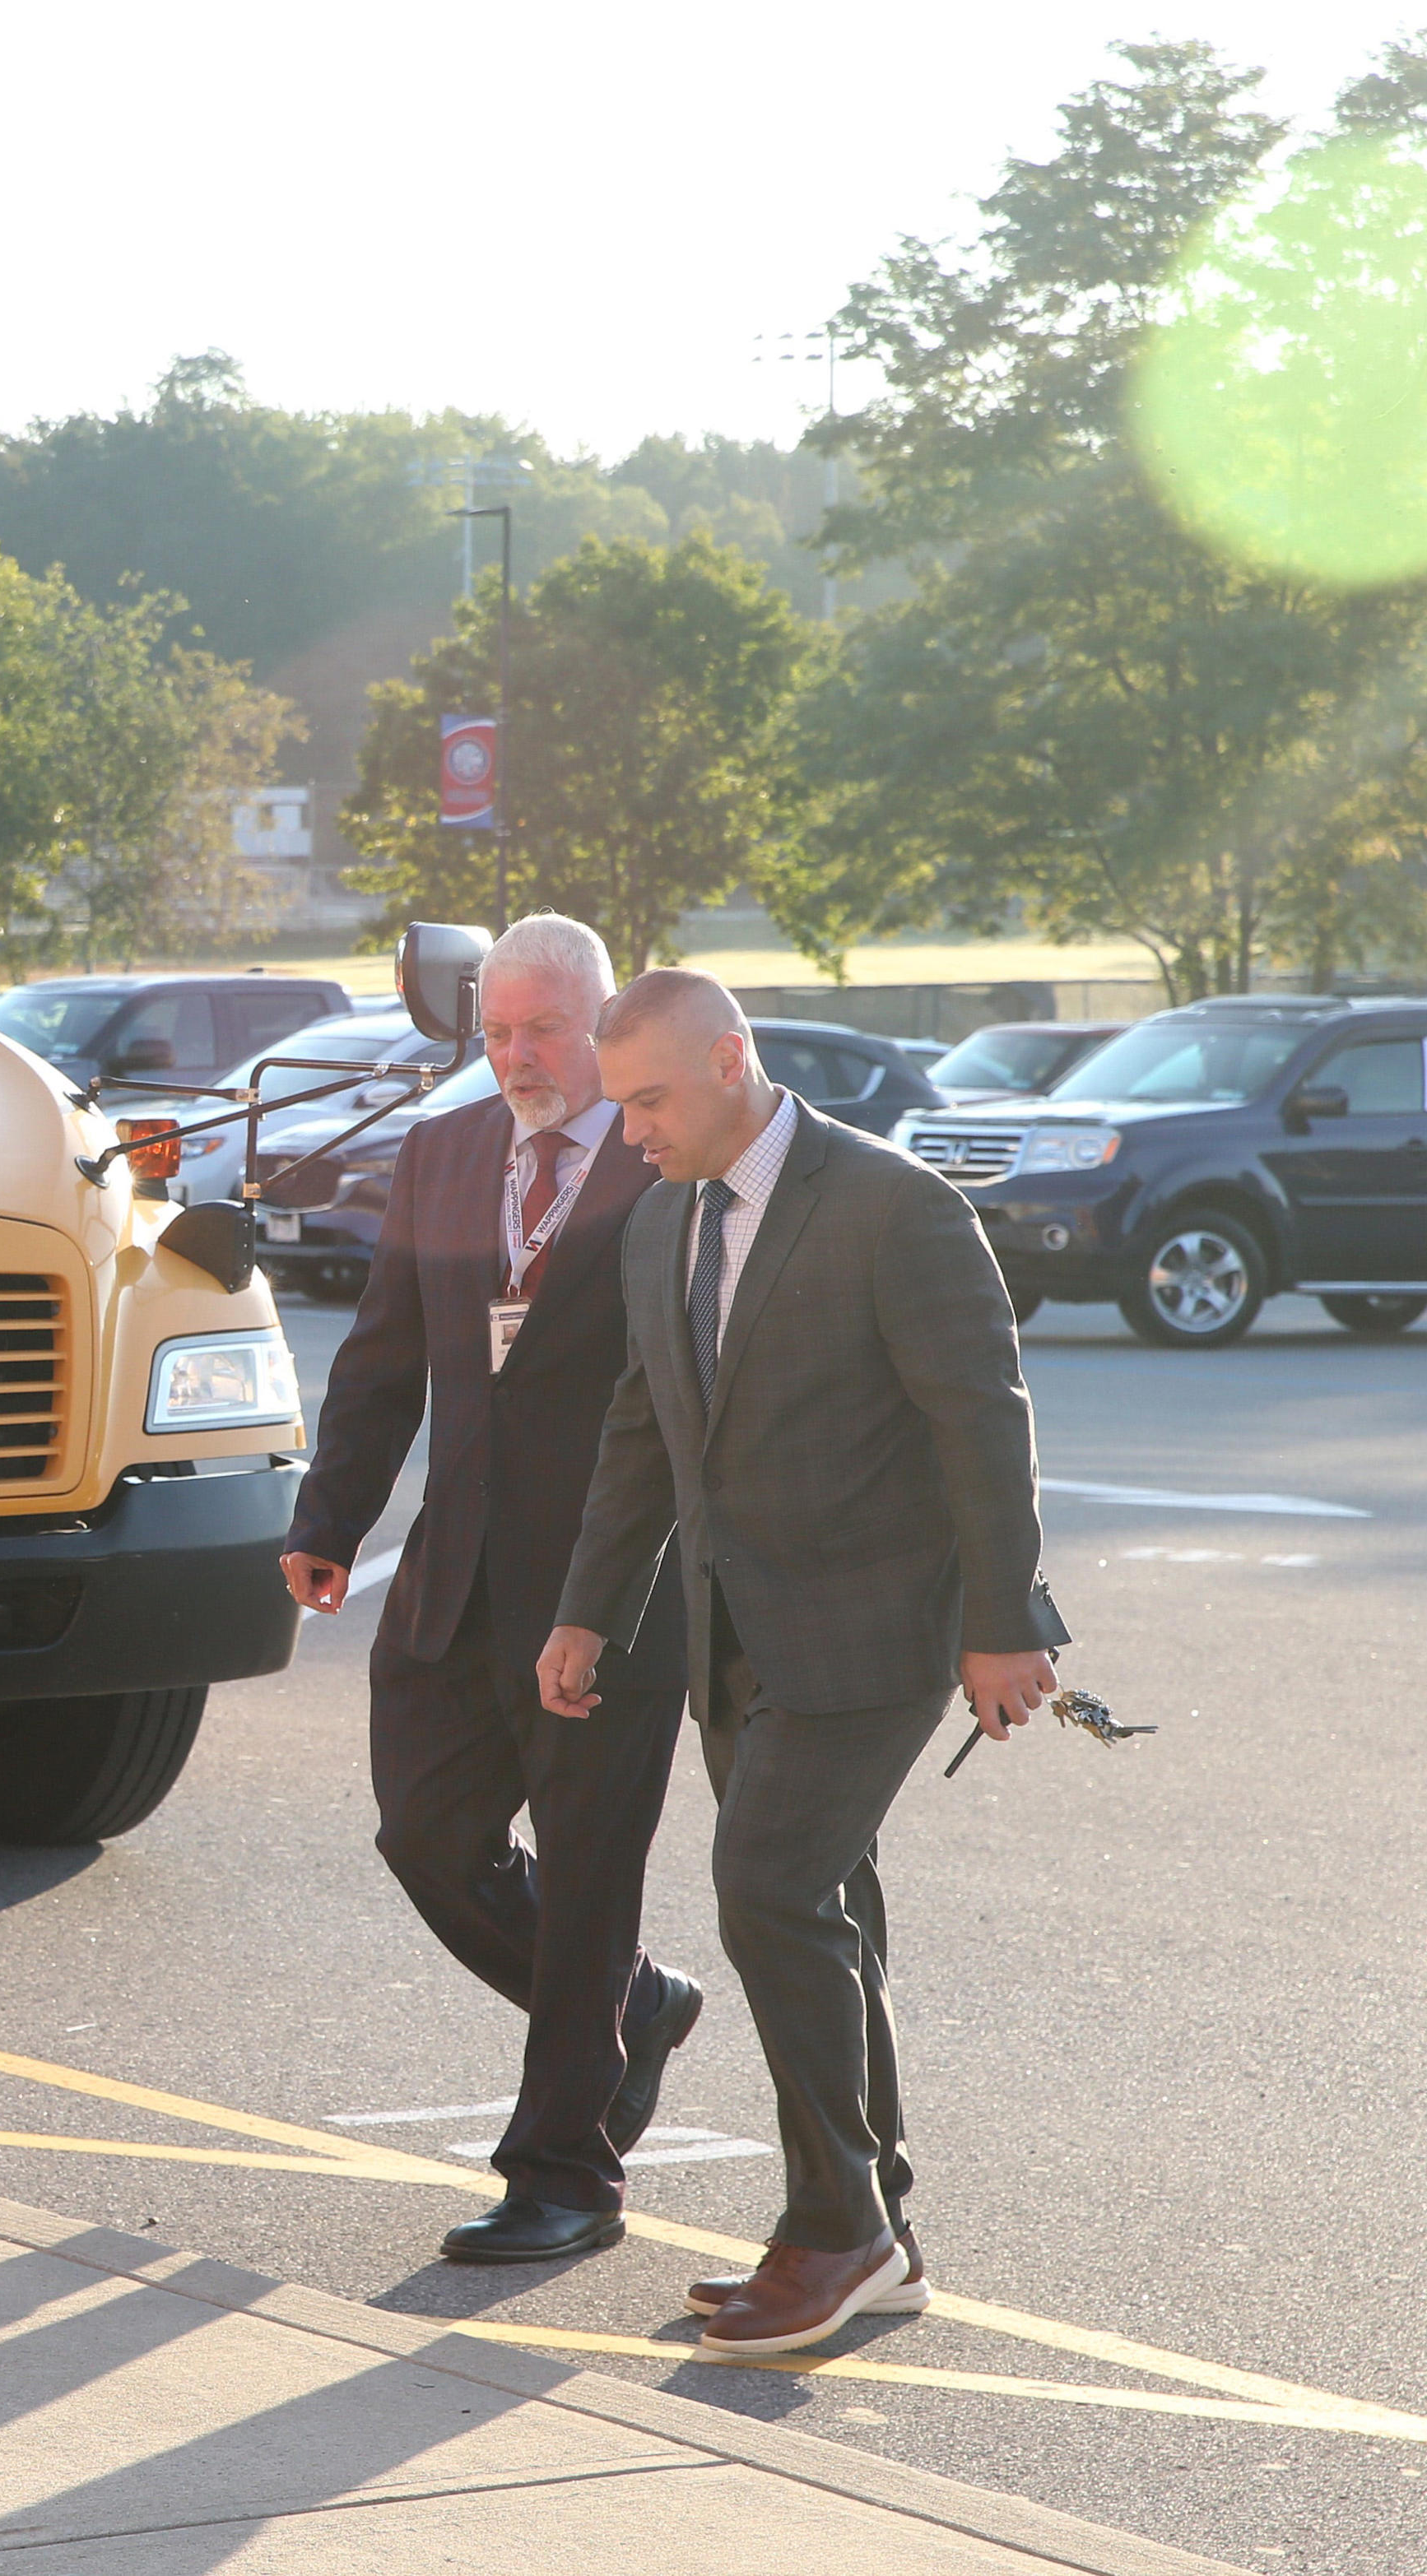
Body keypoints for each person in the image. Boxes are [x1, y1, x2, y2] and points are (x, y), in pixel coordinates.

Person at [539, 968, 1067, 2356]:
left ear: (729, 1061)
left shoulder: (892, 1205)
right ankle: (875, 2220)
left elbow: (981, 1419)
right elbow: (641, 1435)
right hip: (734, 1637)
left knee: (766, 1889)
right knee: (826, 1905)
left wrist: (1005, 1620)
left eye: (647, 1101)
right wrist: (587, 1611)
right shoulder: (658, 1224)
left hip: (881, 1628)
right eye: (617, 1107)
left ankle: (835, 2229)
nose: (631, 1132)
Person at [282, 913, 704, 2265]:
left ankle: (563, 2177)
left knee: (586, 1882)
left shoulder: (667, 1172)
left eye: (545, 1029)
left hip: (610, 1585)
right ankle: (630, 2009)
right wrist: (331, 1515)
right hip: (450, 1579)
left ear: (604, 1026)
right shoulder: (445, 1150)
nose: (518, 1055)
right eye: (498, 1031)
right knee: (424, 1836)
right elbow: (384, 1352)